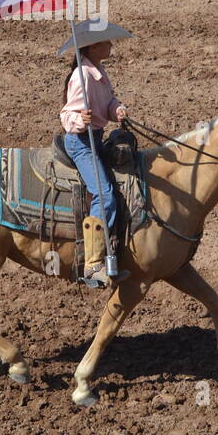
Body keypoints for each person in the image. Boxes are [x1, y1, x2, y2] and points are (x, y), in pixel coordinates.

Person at [59, 19, 134, 288]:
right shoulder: (81, 76)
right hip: (81, 142)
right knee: (104, 195)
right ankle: (93, 264)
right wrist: (82, 120)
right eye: (106, 42)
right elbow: (67, 115)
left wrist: (117, 110)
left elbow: (109, 100)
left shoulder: (98, 70)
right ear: (91, 47)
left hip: (95, 138)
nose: (111, 45)